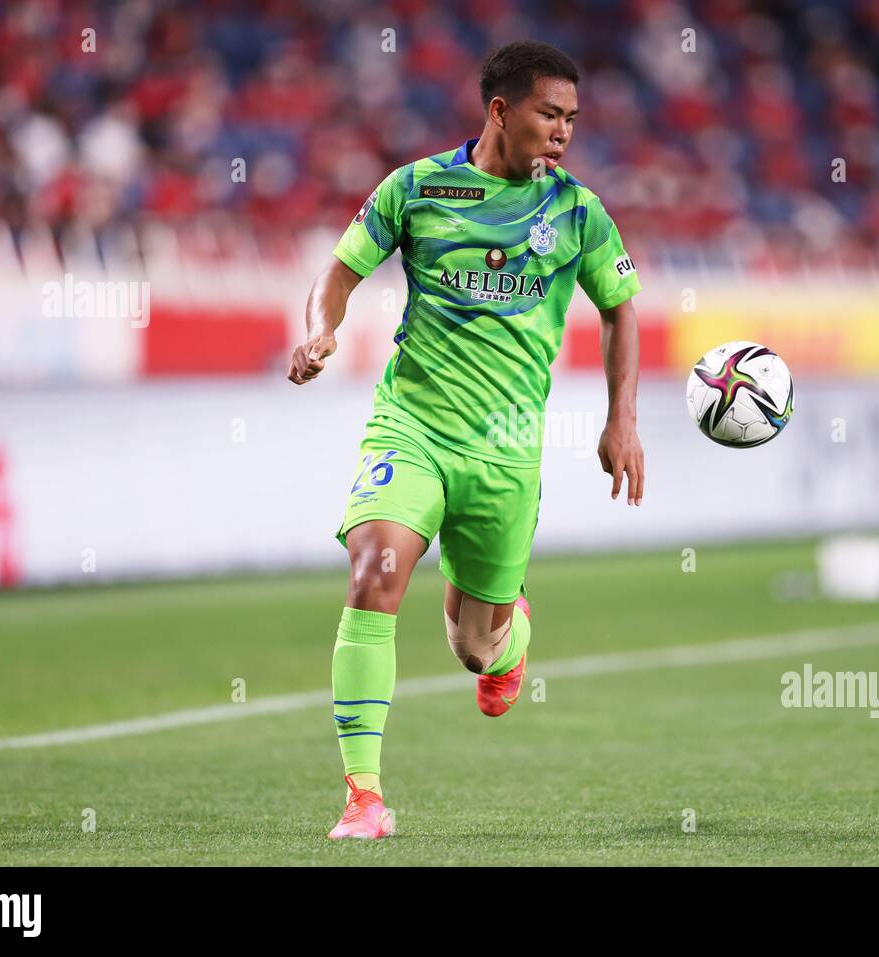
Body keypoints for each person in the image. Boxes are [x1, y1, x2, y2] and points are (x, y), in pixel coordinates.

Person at [288, 40, 644, 840]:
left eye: (572, 119)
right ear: (500, 111)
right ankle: (363, 797)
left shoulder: (578, 212)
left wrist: (622, 417)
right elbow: (341, 271)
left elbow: (622, 307)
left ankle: (509, 634)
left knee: (474, 647)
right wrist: (322, 331)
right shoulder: (418, 188)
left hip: (508, 450)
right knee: (374, 572)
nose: (563, 131)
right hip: (412, 424)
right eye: (550, 114)